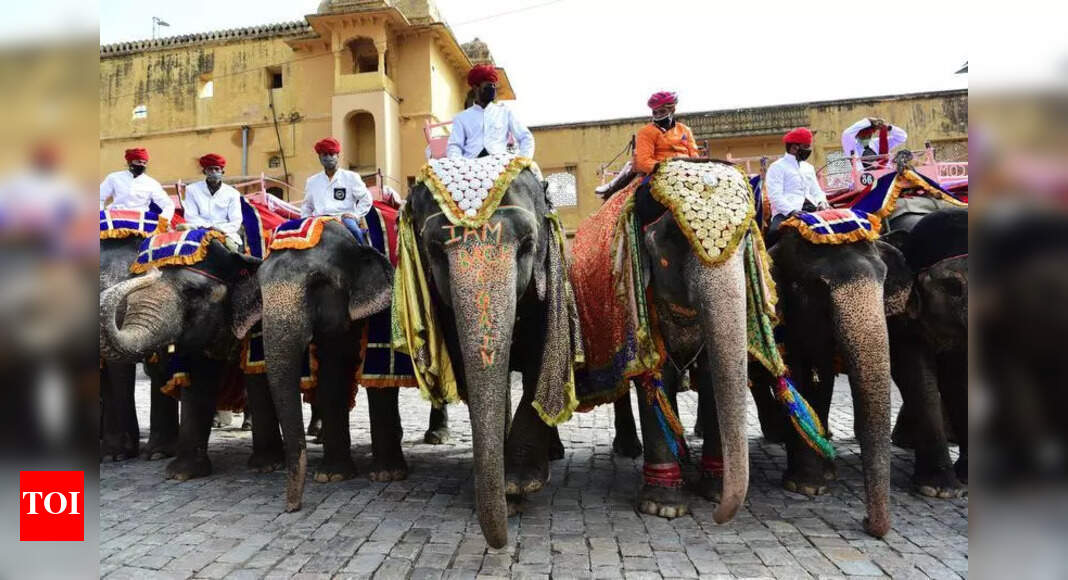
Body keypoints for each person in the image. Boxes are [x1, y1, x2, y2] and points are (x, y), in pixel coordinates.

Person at [446, 64, 534, 159]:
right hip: (471, 163)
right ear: (475, 88)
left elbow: (525, 137)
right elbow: (454, 146)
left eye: (493, 86)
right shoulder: (461, 118)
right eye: (488, 86)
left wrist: (521, 160)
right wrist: (459, 163)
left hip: (500, 162)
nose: (492, 89)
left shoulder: (505, 112)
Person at [301, 137, 372, 243]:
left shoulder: (351, 177)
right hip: (319, 221)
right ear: (319, 157)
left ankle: (364, 252)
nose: (328, 158)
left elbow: (366, 199)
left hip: (343, 218)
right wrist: (307, 220)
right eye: (325, 155)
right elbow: (307, 206)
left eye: (331, 154)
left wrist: (355, 215)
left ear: (337, 156)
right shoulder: (312, 181)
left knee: (355, 231)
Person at [764, 127, 830, 239]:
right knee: (773, 234)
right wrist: (792, 211)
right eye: (806, 147)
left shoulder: (808, 167)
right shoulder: (777, 167)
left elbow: (816, 191)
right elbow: (775, 196)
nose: (809, 150)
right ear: (794, 148)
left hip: (812, 208)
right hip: (786, 212)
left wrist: (821, 202)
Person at [180, 153, 243, 250]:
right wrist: (208, 228)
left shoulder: (233, 193)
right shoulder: (192, 190)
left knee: (231, 250)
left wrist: (218, 230)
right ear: (204, 172)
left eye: (216, 169)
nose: (213, 172)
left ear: (222, 172)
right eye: (210, 169)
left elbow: (236, 221)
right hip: (199, 230)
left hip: (225, 233)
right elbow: (191, 216)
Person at [99, 147, 176, 225]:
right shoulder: (114, 178)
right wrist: (100, 216)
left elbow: (168, 204)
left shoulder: (151, 183)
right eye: (138, 162)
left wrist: (163, 222)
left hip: (140, 223)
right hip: (116, 220)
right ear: (129, 162)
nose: (141, 165)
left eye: (144, 163)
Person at [633, 91, 700, 175]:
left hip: (687, 172)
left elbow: (694, 154)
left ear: (672, 110)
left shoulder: (685, 129)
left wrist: (693, 170)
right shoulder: (646, 132)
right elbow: (644, 161)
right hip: (659, 173)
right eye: (655, 112)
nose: (658, 115)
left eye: (662, 111)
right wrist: (668, 170)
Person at [842, 117, 907, 169]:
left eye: (869, 136)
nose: (866, 138)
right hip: (863, 179)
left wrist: (889, 128)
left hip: (885, 175)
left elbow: (902, 137)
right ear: (857, 136)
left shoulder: (877, 143)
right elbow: (847, 133)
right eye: (863, 137)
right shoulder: (852, 147)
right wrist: (869, 121)